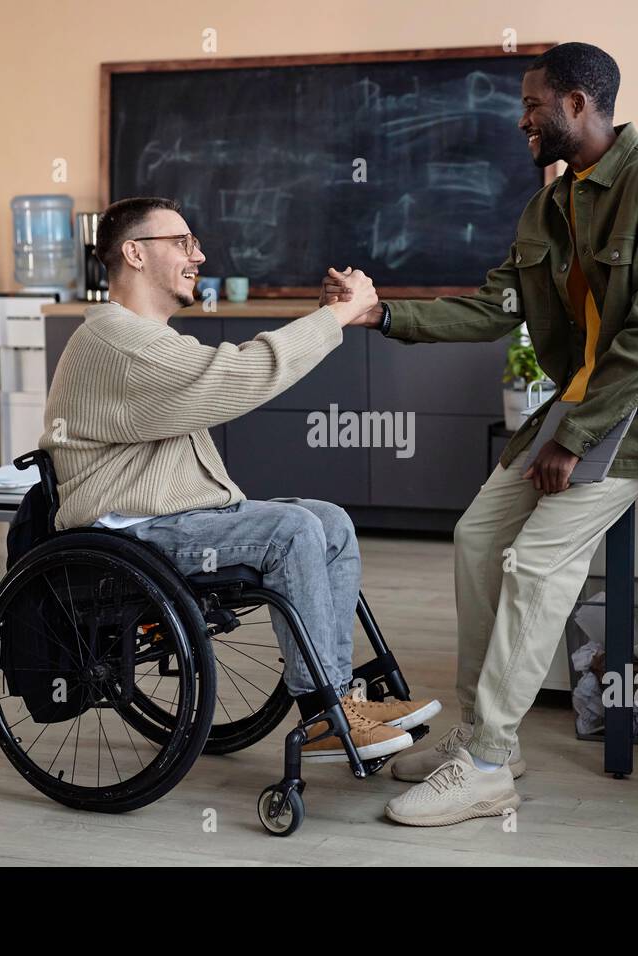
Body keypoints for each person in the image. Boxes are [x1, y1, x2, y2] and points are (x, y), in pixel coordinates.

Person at [323, 42, 638, 826]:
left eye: (534, 104)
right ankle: (483, 731)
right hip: (574, 410)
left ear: (578, 103)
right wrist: (384, 314)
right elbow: (494, 306)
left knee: (536, 564)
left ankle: (489, 765)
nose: (521, 118)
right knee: (477, 538)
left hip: (636, 419)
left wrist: (577, 439)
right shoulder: (550, 206)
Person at [39, 196, 441, 763]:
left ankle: (341, 696)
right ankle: (326, 712)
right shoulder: (117, 343)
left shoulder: (142, 337)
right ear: (133, 253)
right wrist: (334, 319)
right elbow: (236, 375)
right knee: (294, 530)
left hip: (174, 518)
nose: (198, 254)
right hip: (131, 533)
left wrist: (325, 316)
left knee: (331, 522)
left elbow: (227, 372)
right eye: (181, 242)